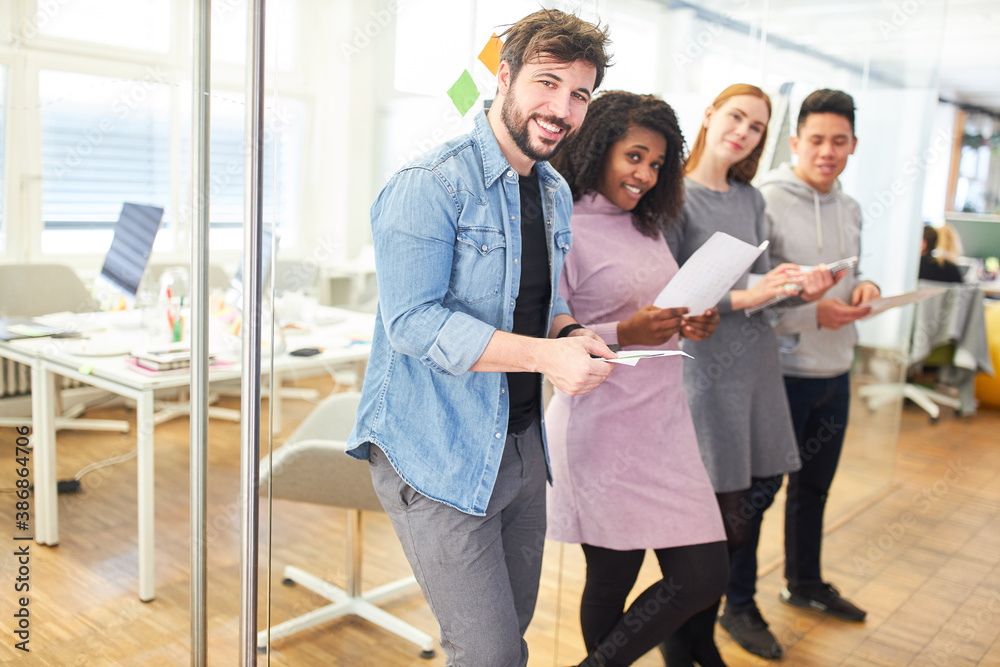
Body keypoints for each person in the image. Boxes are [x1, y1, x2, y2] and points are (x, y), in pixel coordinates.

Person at [346, 10, 614, 666]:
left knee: (508, 636)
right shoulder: (429, 184)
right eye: (547, 83)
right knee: (490, 653)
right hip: (435, 448)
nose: (562, 107)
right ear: (504, 77)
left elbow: (545, 305)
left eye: (579, 94)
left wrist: (572, 333)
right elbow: (412, 322)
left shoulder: (550, 190)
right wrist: (547, 356)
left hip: (520, 445)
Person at [545, 90, 729, 667]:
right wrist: (628, 331)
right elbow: (550, 334)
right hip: (600, 427)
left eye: (657, 163)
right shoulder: (561, 224)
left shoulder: (647, 225)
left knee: (704, 574)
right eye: (635, 156)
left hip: (664, 424)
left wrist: (690, 319)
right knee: (611, 577)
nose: (646, 174)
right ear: (599, 147)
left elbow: (657, 311)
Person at [662, 84, 835, 664]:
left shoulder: (749, 198)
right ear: (709, 115)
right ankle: (683, 642)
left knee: (744, 514)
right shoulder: (674, 196)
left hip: (755, 370)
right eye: (736, 117)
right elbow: (670, 301)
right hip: (706, 373)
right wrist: (754, 292)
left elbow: (760, 293)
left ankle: (699, 637)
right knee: (711, 527)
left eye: (756, 126)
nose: (743, 131)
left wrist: (795, 287)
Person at [727, 88, 879, 657]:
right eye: (816, 139)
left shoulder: (852, 207)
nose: (827, 151)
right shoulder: (764, 200)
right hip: (779, 375)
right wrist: (813, 311)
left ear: (853, 146)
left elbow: (854, 275)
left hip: (835, 370)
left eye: (839, 141)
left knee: (813, 490)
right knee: (758, 496)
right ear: (795, 142)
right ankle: (736, 605)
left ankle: (805, 584)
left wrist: (868, 288)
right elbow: (746, 298)